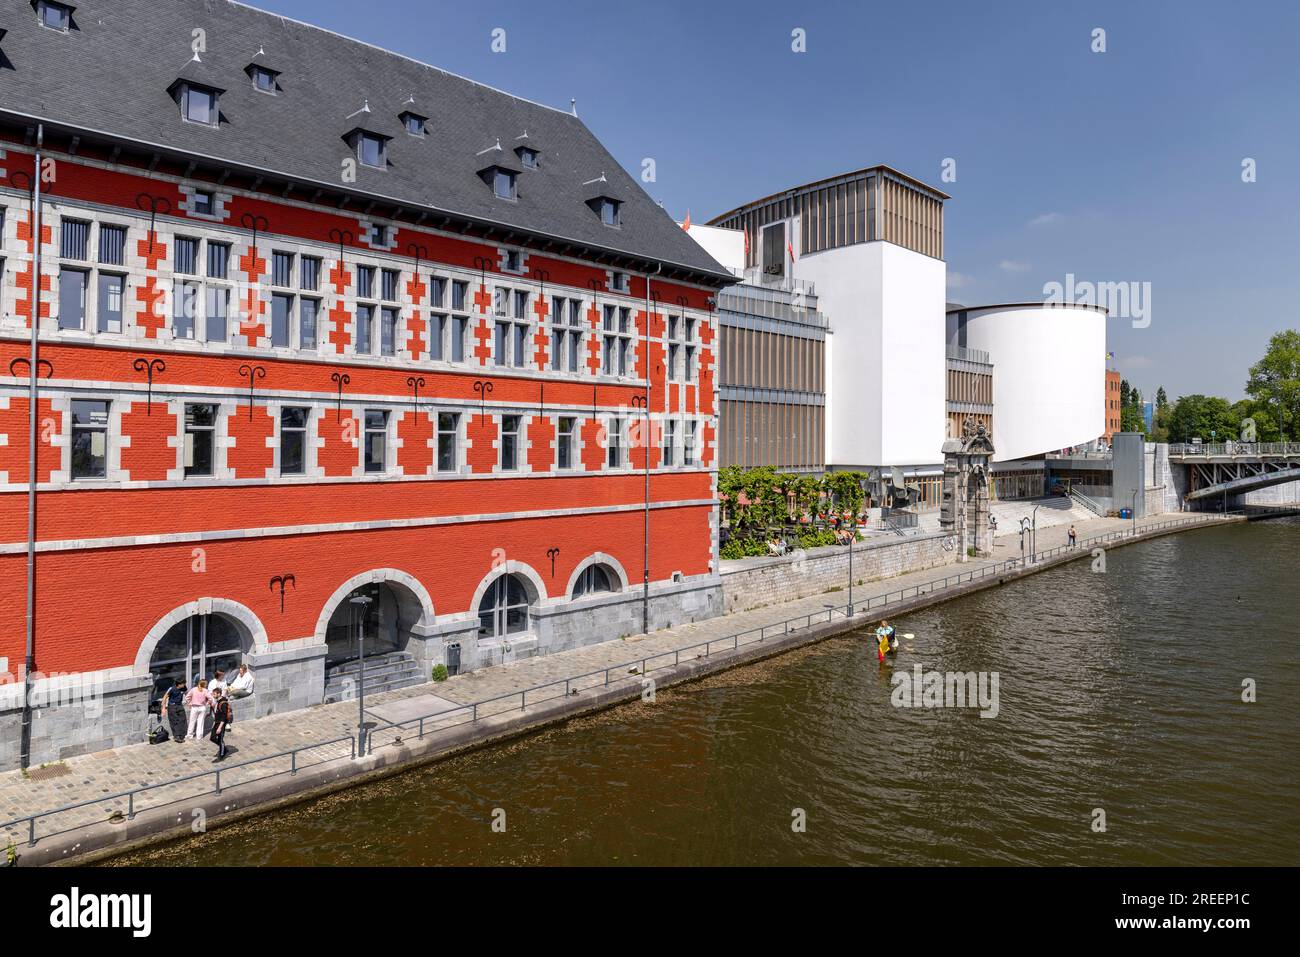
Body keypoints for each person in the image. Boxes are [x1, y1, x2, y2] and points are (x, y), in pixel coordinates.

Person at [160, 678, 188, 745]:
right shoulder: (172, 689)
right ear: (179, 684)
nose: (185, 685)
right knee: (174, 721)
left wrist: (189, 702)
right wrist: (163, 708)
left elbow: (186, 693)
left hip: (180, 705)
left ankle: (181, 735)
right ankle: (177, 737)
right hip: (172, 706)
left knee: (182, 720)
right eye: (183, 683)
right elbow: (164, 698)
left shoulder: (183, 688)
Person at [210, 691, 233, 761]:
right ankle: (224, 748)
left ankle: (222, 754)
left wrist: (220, 727)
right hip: (217, 722)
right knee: (212, 738)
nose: (213, 695)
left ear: (219, 694)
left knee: (220, 739)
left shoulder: (223, 703)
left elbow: (223, 716)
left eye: (214, 694)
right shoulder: (218, 701)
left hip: (221, 724)